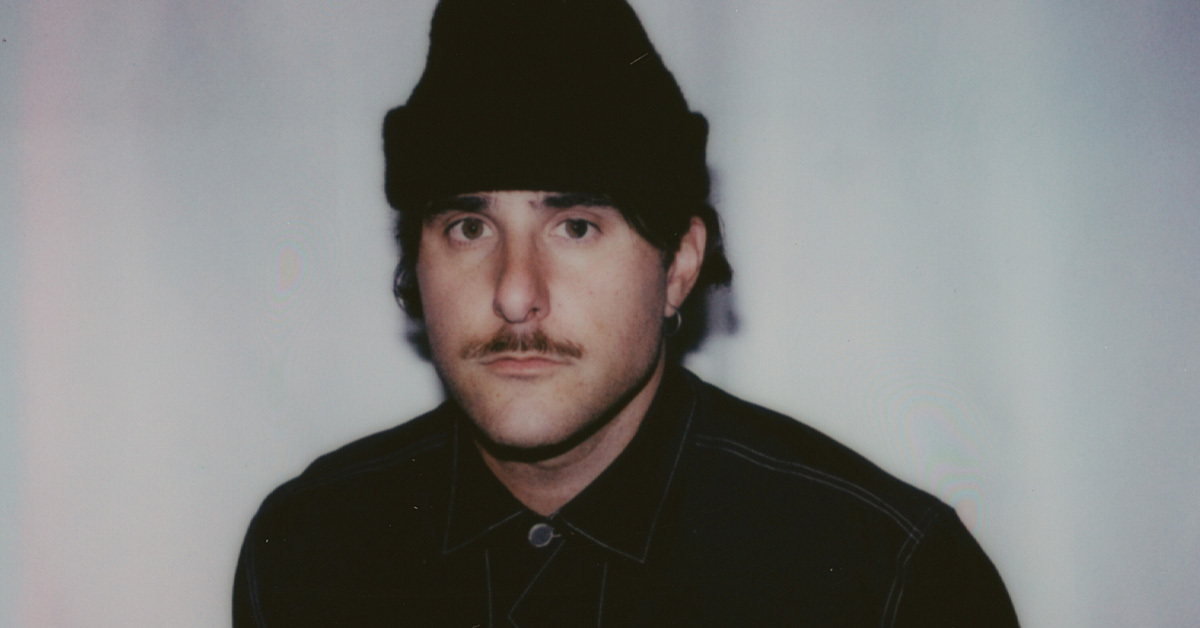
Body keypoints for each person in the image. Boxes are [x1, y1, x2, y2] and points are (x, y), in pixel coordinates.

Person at [233, 0, 1019, 626]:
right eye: (469, 227)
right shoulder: (307, 552)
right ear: (417, 258)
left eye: (575, 227)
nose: (515, 292)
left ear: (679, 264)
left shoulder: (885, 578)